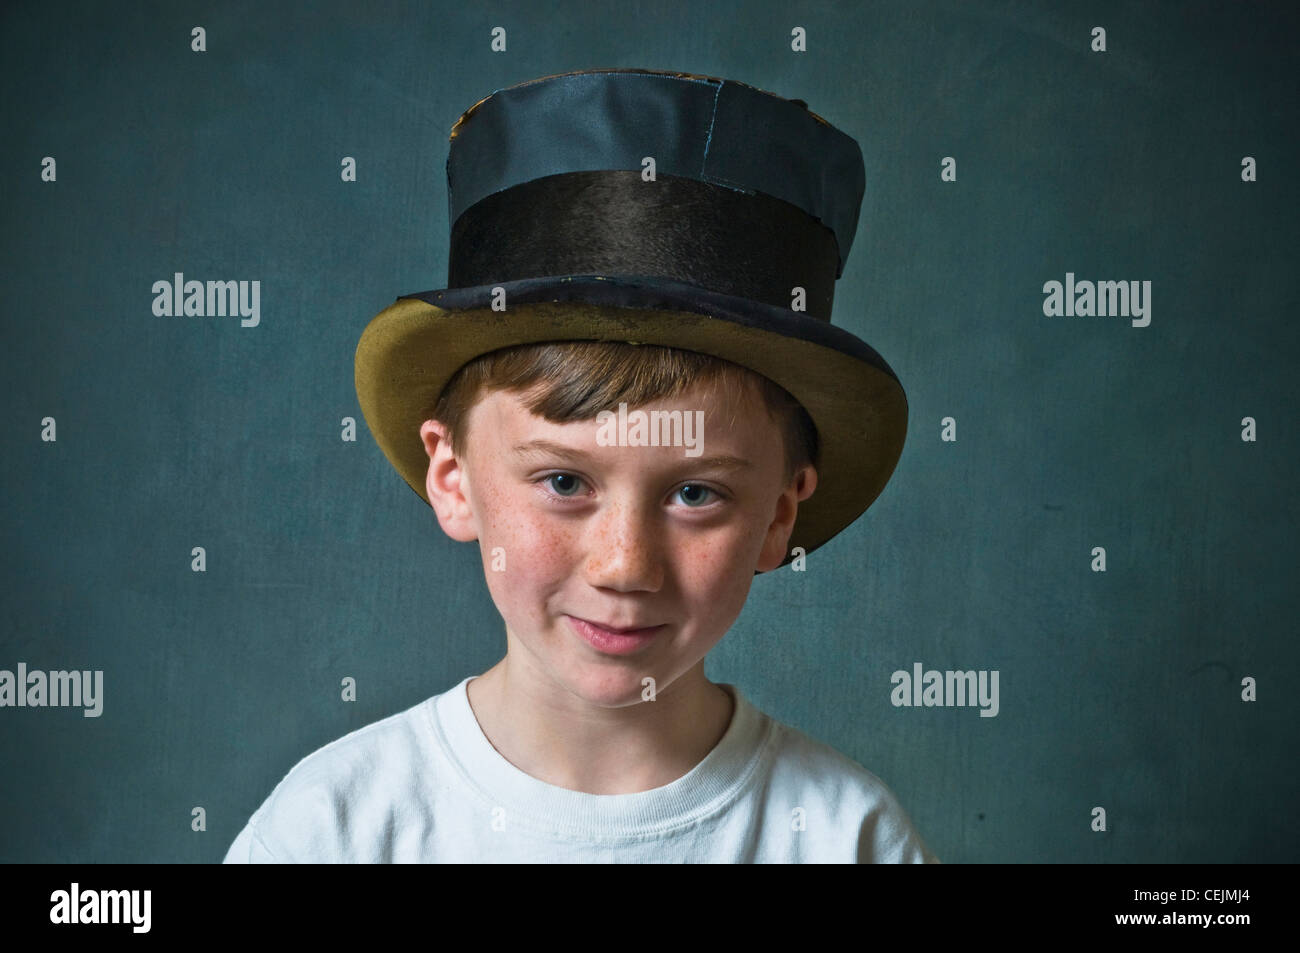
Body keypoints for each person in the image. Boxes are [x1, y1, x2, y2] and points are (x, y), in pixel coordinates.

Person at [224, 67, 937, 863]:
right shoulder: (333, 829)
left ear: (778, 515)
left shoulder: (849, 838)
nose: (625, 566)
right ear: (453, 476)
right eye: (564, 481)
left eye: (696, 492)